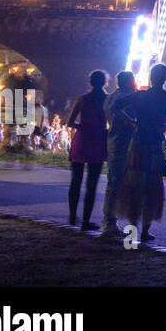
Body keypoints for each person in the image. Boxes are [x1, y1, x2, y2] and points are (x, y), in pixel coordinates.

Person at [117, 63, 166, 243]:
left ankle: (132, 230)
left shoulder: (141, 95)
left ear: (151, 77)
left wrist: (133, 123)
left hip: (138, 142)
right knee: (152, 186)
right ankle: (145, 231)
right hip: (155, 144)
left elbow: (118, 106)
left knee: (134, 184)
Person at [66, 70, 108, 231]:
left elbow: (70, 122)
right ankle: (86, 221)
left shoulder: (82, 99)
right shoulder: (107, 99)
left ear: (90, 82)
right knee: (92, 184)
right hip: (97, 140)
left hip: (82, 139)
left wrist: (83, 126)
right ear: (105, 82)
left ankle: (72, 216)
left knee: (75, 181)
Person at [101, 71, 137, 238]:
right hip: (124, 142)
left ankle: (110, 220)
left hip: (113, 141)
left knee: (113, 181)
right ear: (128, 82)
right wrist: (133, 123)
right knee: (117, 182)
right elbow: (124, 116)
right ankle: (109, 222)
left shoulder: (110, 97)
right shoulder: (126, 98)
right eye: (133, 80)